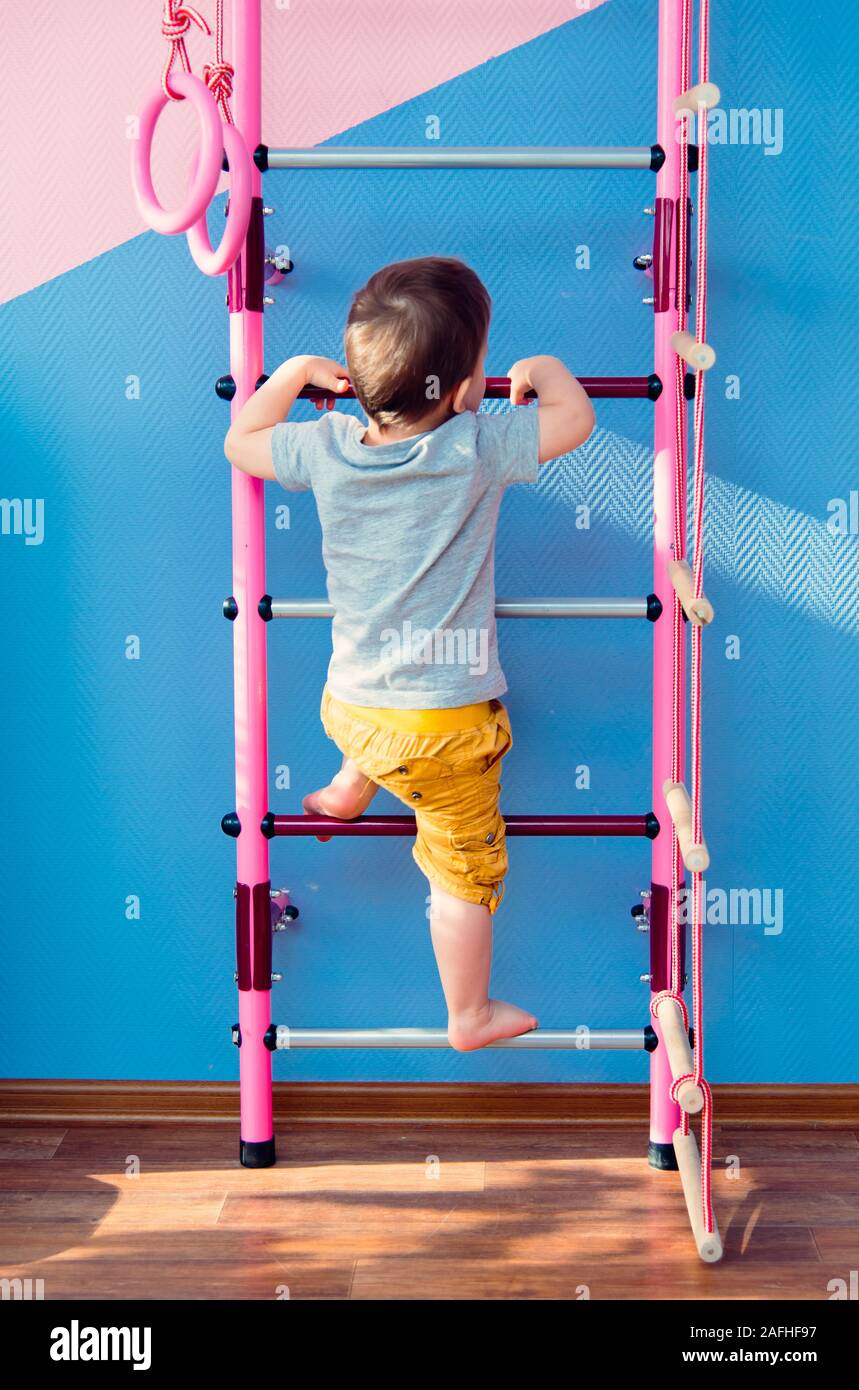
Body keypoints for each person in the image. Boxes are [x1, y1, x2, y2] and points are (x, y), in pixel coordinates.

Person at [224, 257, 595, 1049]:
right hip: (445, 732)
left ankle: (351, 784)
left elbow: (241, 440)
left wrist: (289, 372)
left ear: (354, 380)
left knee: (382, 738)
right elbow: (573, 420)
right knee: (462, 872)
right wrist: (543, 370)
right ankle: (468, 1015)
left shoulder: (323, 447)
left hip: (350, 706)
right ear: (463, 391)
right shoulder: (477, 446)